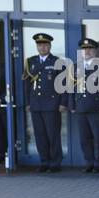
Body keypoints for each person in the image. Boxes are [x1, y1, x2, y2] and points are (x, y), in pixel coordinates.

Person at [23, 32, 66, 173]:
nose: (42, 48)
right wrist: (28, 102)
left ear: (49, 46)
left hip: (52, 104)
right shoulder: (30, 62)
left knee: (53, 135)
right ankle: (44, 161)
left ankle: (55, 163)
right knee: (40, 134)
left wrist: (62, 103)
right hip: (36, 104)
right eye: (39, 45)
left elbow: (63, 84)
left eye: (44, 45)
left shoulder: (57, 62)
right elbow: (27, 85)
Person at [70, 38, 99, 174]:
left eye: (89, 49)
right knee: (85, 139)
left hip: (97, 108)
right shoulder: (75, 67)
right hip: (81, 107)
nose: (87, 51)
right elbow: (71, 88)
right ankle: (89, 162)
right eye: (85, 49)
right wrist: (72, 105)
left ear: (95, 51)